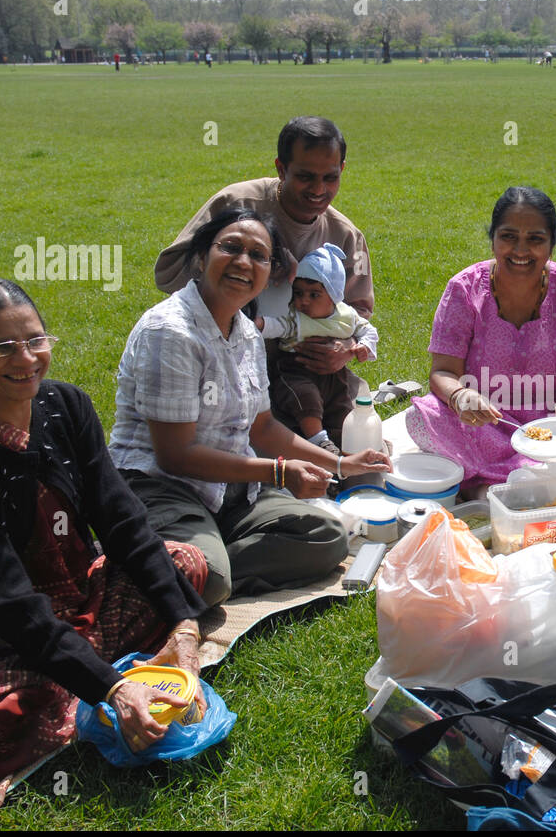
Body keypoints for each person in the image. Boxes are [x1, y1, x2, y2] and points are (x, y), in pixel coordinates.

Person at [0, 279, 211, 830]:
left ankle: (77, 666)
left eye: (35, 339)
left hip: (73, 590)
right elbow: (3, 599)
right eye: (1, 347)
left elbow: (122, 519)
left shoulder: (67, 406)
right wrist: (113, 687)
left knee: (184, 569)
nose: (26, 359)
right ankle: (83, 670)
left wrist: (185, 627)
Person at [110, 208, 391, 606]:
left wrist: (342, 464)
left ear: (270, 272)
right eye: (231, 248)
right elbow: (175, 455)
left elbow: (262, 429)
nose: (244, 262)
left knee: (328, 537)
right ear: (202, 256)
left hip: (229, 490)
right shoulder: (170, 332)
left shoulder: (245, 331)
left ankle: (193, 562)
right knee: (210, 581)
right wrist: (277, 471)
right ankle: (186, 568)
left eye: (259, 255)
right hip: (162, 486)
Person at [406, 187, 556, 495]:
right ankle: (542, 477)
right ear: (493, 238)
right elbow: (443, 371)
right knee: (423, 415)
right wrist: (459, 397)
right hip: (487, 421)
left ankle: (490, 480)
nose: (520, 251)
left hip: (555, 424)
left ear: (552, 245)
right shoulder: (464, 288)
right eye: (508, 237)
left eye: (535, 239)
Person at [154, 117, 373, 388]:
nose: (318, 190)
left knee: (356, 426)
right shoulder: (237, 204)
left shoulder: (346, 236)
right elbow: (168, 273)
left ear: (342, 169)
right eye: (305, 177)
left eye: (330, 178)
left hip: (306, 378)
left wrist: (346, 347)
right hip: (223, 369)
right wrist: (262, 261)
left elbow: (358, 309)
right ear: (281, 169)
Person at [258, 243, 379, 453]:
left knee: (342, 410)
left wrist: (363, 347)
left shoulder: (346, 316)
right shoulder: (296, 318)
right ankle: (318, 440)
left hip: (335, 378)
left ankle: (344, 450)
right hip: (295, 372)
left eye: (314, 295)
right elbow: (277, 325)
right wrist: (256, 324)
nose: (303, 301)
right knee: (306, 399)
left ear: (333, 296)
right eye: (298, 292)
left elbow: (369, 331)